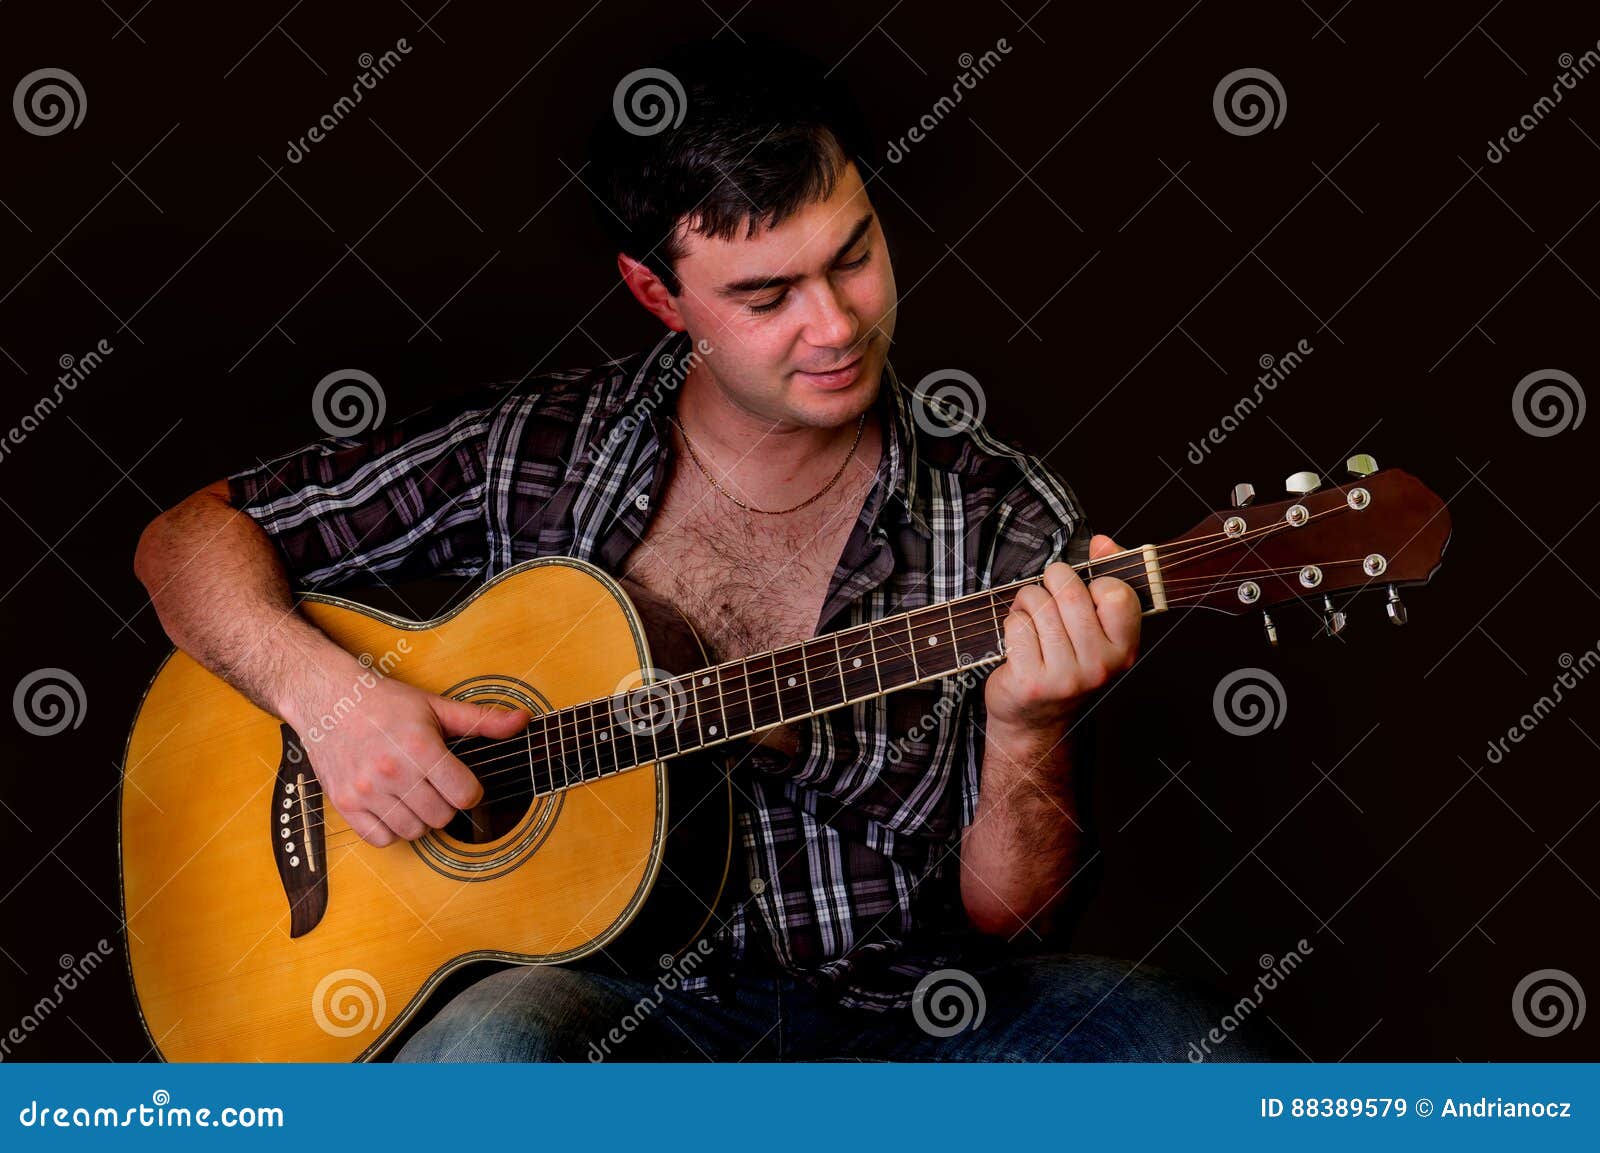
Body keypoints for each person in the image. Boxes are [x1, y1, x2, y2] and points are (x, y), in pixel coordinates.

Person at [134, 38, 1274, 1062]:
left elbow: (1014, 922)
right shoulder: (536, 448)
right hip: (615, 1018)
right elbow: (187, 540)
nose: (834, 325)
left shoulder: (1003, 514)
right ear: (657, 294)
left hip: (911, 1025)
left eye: (853, 256)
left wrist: (1028, 725)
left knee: (1182, 1045)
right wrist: (332, 705)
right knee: (498, 1049)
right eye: (766, 295)